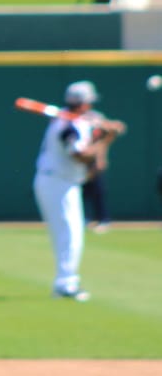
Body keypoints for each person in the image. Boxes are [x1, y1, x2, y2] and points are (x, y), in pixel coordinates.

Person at [32, 81, 123, 301]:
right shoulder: (67, 125)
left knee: (71, 235)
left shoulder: (77, 122)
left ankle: (66, 281)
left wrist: (102, 133)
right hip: (57, 182)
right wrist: (107, 139)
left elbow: (96, 162)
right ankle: (66, 284)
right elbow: (80, 156)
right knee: (70, 235)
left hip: (64, 182)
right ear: (83, 104)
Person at [81, 108, 112, 233]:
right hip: (82, 167)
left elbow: (117, 128)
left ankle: (103, 220)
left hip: (95, 167)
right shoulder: (81, 133)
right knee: (82, 195)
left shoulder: (101, 137)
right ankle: (84, 219)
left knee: (98, 194)